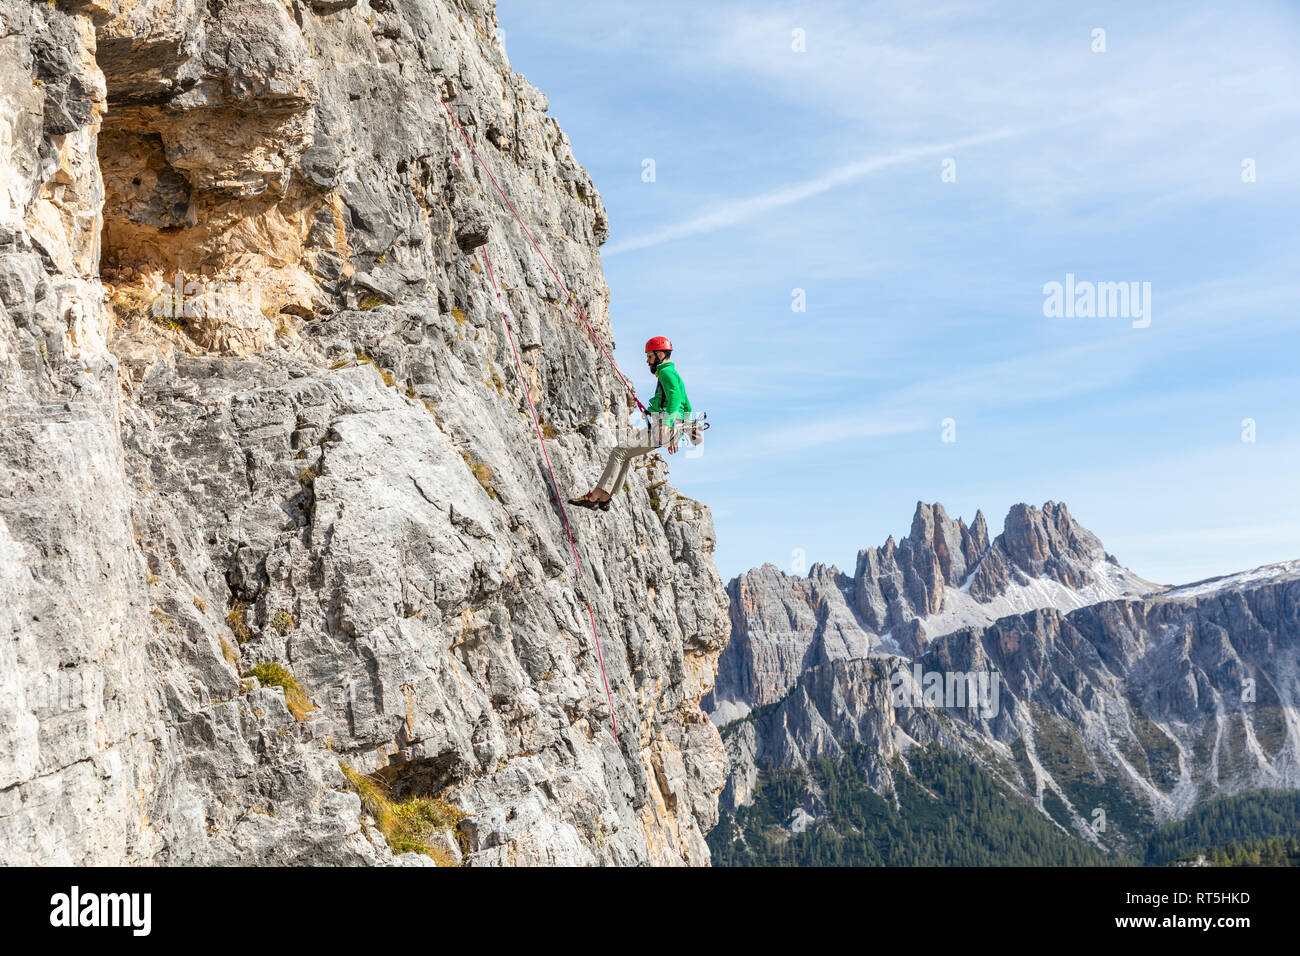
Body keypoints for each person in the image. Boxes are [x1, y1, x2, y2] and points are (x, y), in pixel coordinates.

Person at [570, 336, 691, 511]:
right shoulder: (673, 373)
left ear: (660, 354)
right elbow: (686, 404)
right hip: (672, 426)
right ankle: (604, 498)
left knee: (620, 451)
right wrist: (677, 432)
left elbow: (676, 398)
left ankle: (596, 496)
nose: (648, 361)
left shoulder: (666, 372)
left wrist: (667, 423)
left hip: (665, 424)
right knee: (624, 453)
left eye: (650, 356)